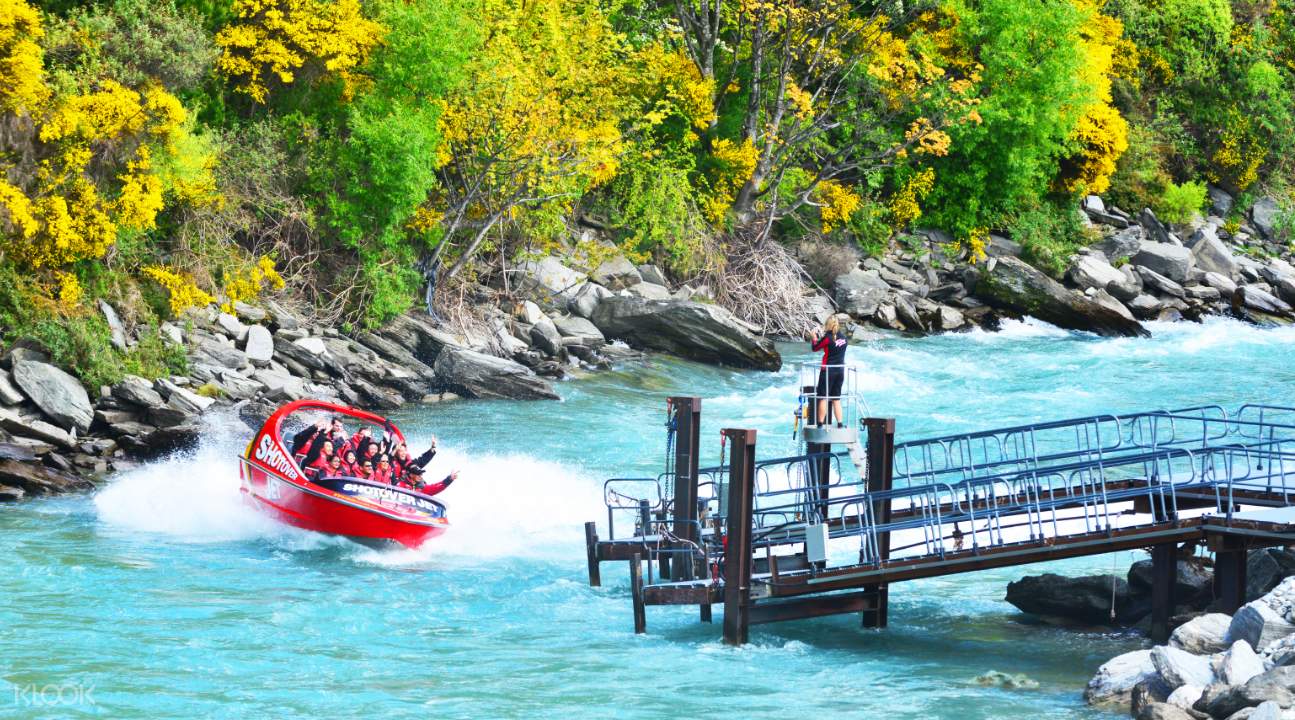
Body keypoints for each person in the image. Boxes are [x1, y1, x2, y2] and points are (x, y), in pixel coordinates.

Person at [808, 315, 848, 427]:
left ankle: (820, 424)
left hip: (828, 371)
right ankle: (840, 424)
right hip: (840, 371)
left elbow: (815, 348)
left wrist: (814, 338)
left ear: (828, 325)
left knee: (823, 397)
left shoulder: (827, 338)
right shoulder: (844, 338)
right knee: (836, 398)